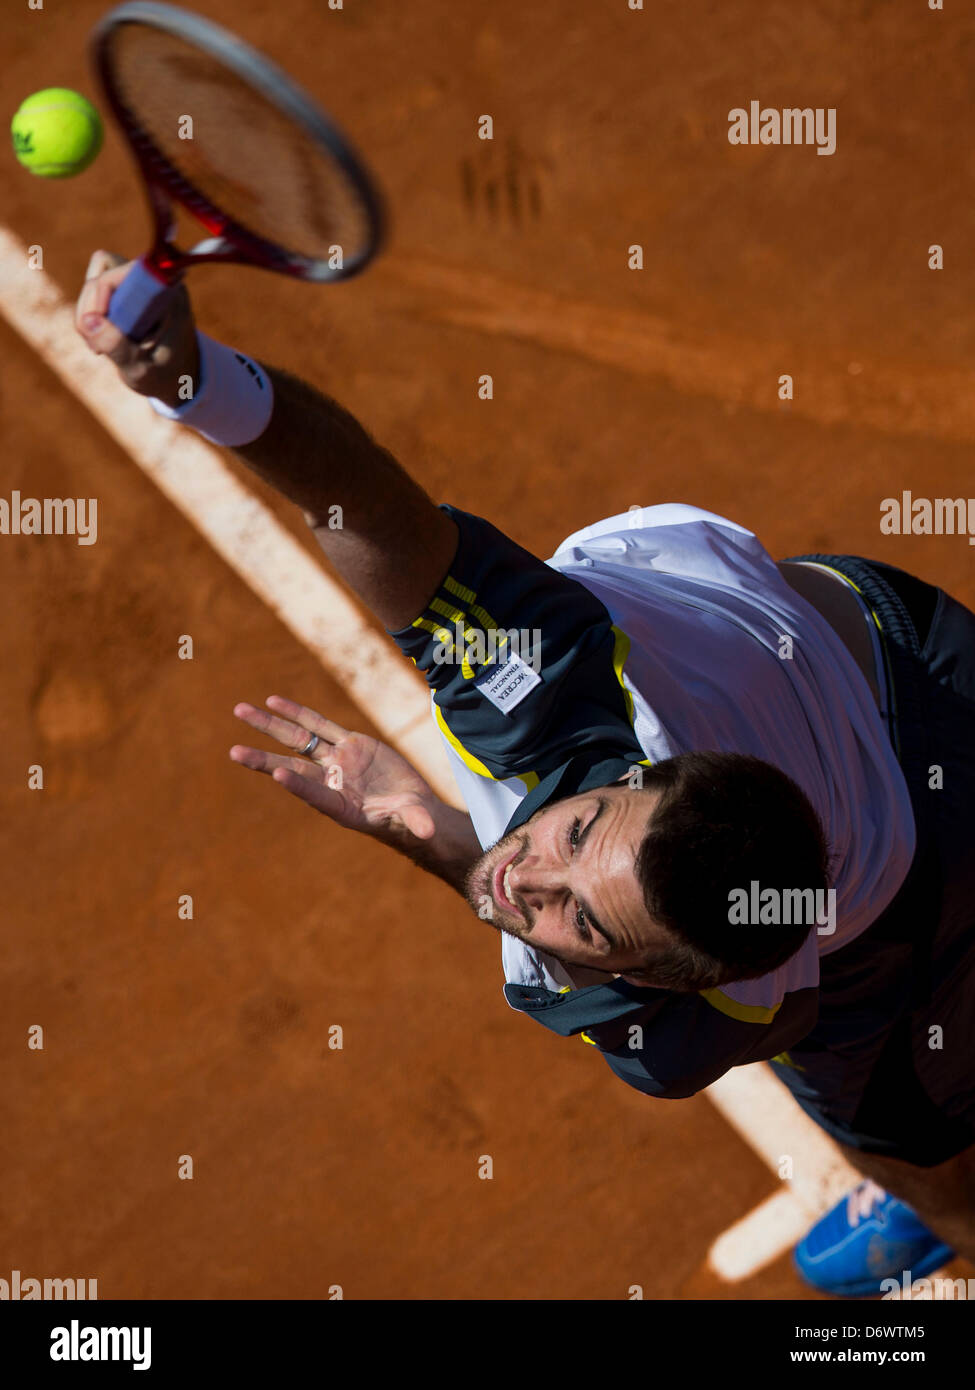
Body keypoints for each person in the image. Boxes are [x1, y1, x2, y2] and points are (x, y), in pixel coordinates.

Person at [75, 251, 975, 1297]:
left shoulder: (672, 1018)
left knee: (898, 1132)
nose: (519, 875)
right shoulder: (556, 683)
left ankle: (937, 1207)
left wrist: (439, 841)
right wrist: (196, 381)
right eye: (577, 848)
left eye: (579, 895)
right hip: (911, 685)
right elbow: (361, 502)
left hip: (900, 758)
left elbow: (792, 1016)